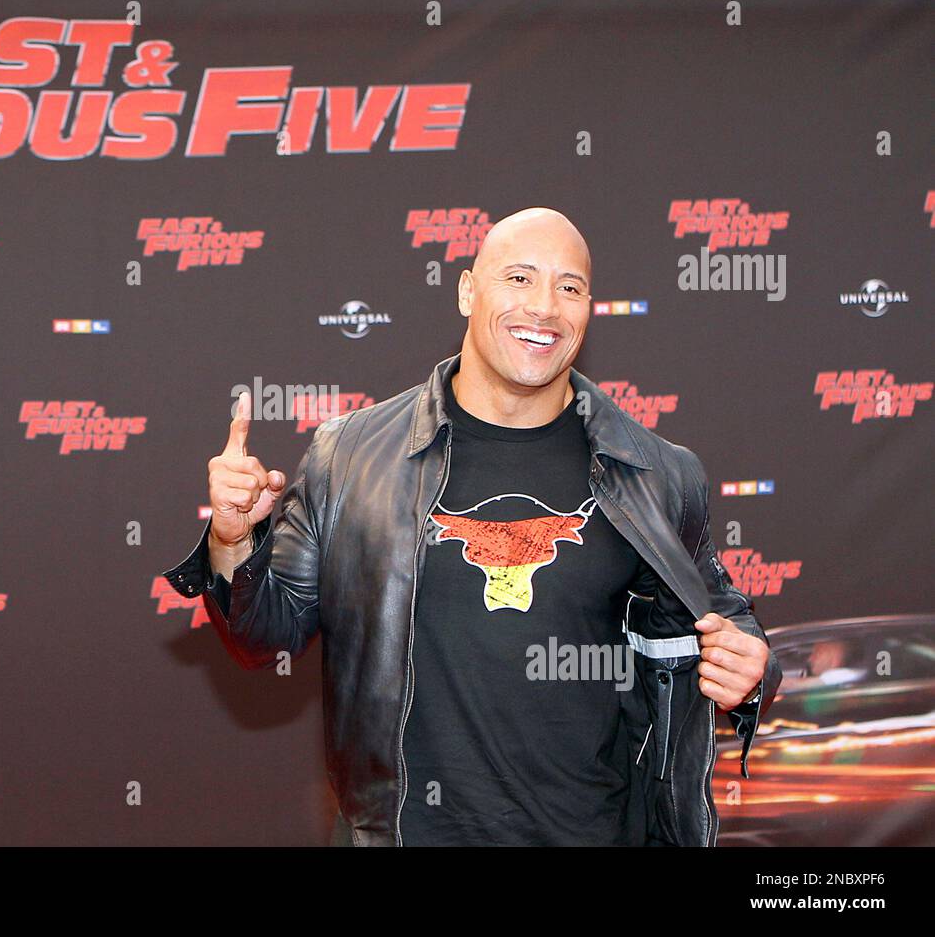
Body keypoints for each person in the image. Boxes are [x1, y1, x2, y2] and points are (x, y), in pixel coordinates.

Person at [163, 207, 780, 846]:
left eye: (569, 287)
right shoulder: (350, 457)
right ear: (466, 290)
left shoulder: (657, 473)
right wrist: (232, 541)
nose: (544, 307)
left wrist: (750, 668)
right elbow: (263, 638)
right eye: (519, 278)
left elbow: (725, 621)